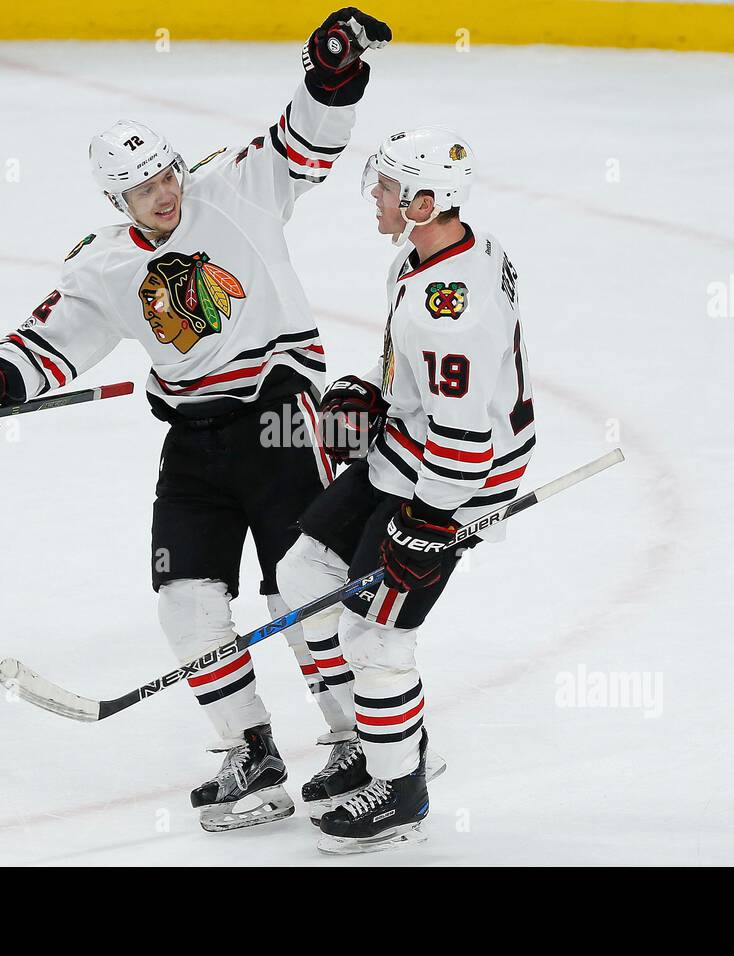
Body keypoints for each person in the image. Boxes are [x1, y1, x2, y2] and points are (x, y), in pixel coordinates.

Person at [0, 9, 392, 832]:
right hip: (193, 444)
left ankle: (361, 737)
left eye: (168, 173)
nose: (166, 190)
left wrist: (332, 74)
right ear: (119, 199)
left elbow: (306, 140)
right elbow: (51, 339)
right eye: (146, 187)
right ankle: (250, 751)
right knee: (185, 602)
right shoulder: (104, 265)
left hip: (281, 418)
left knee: (302, 586)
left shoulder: (235, 190)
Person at [275, 127, 536, 853]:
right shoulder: (433, 256)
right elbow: (429, 388)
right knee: (303, 572)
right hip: (411, 449)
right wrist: (383, 395)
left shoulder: (450, 310)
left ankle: (401, 790)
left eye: (389, 189)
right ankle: (376, 733)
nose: (376, 199)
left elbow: (465, 438)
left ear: (425, 202)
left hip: (456, 481)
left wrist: (427, 526)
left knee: (375, 632)